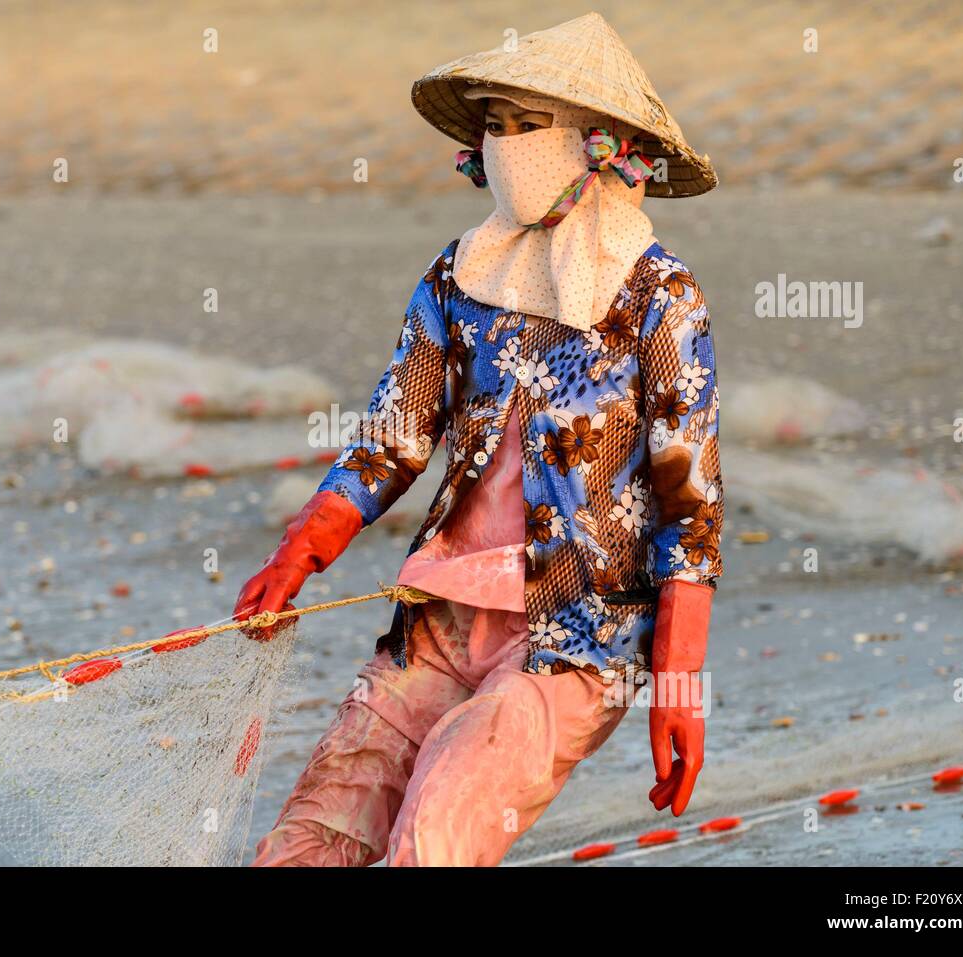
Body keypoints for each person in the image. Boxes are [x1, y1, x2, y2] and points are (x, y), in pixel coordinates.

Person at [236, 12, 724, 866]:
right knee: (311, 837)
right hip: (441, 620)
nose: (503, 145)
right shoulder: (461, 274)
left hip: (576, 640)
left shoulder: (658, 297)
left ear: (594, 144)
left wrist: (678, 690)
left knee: (436, 836)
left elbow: (692, 514)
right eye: (491, 125)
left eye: (525, 126)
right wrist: (300, 552)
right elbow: (394, 431)